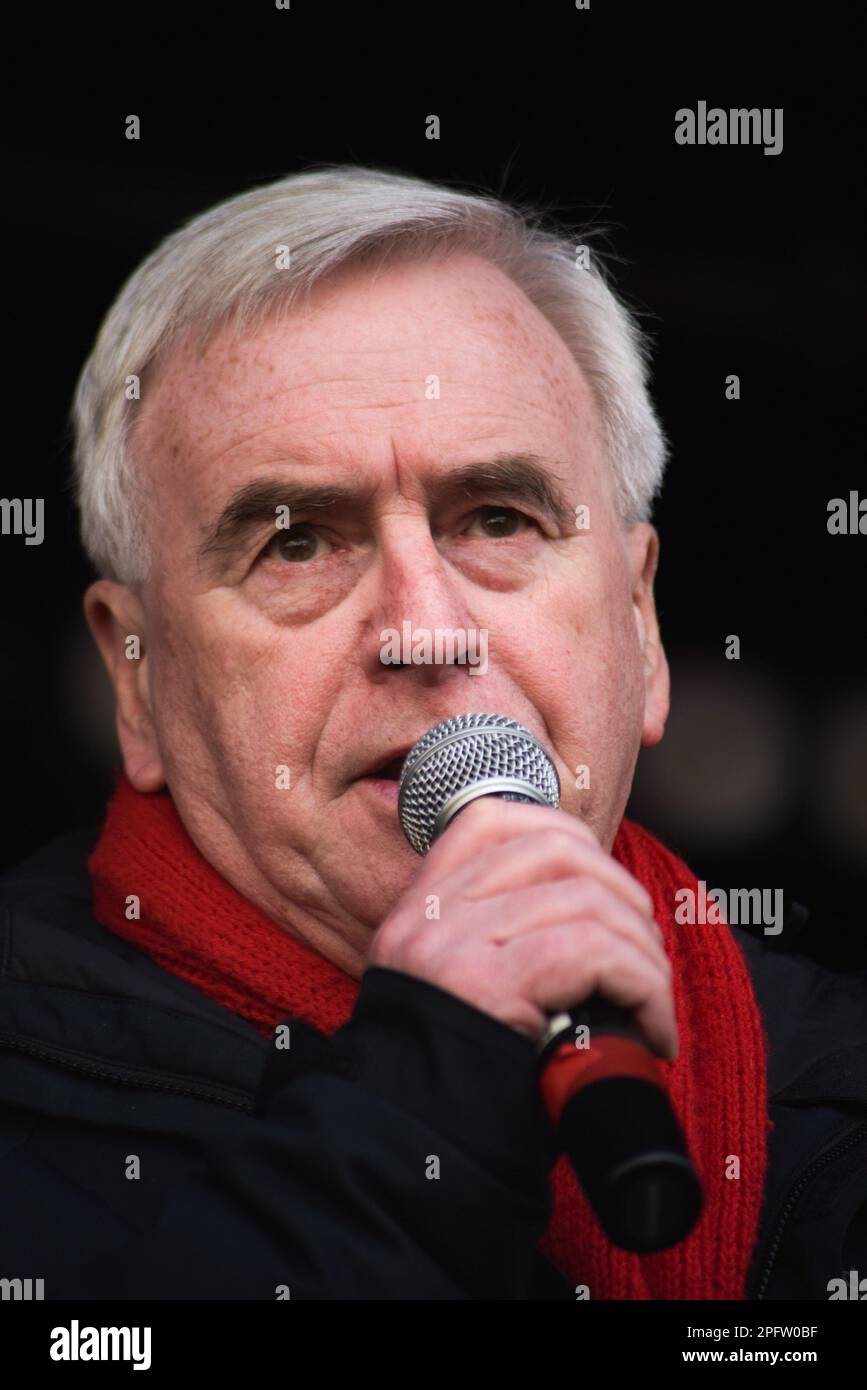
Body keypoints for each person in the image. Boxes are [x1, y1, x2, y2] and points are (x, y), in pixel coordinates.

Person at [1, 165, 865, 1300]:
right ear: (137, 678)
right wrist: (427, 1097)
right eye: (299, 541)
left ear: (643, 631)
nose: (427, 631)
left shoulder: (834, 1084)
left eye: (498, 519)